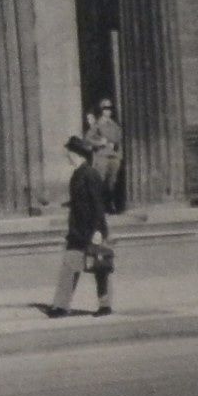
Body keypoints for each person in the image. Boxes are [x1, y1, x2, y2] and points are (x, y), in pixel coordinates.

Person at [43, 136, 113, 318]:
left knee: (99, 267)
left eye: (70, 154)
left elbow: (97, 204)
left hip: (90, 229)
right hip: (78, 230)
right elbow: (81, 201)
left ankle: (103, 305)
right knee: (73, 266)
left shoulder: (90, 174)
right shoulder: (78, 174)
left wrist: (98, 231)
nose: (68, 157)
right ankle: (62, 305)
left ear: (78, 155)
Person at [89, 98, 125, 211]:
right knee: (100, 181)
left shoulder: (115, 125)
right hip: (102, 156)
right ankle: (98, 207)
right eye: (105, 108)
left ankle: (110, 205)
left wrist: (119, 154)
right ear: (101, 110)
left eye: (110, 108)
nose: (108, 111)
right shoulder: (97, 125)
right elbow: (88, 138)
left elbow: (119, 139)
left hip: (114, 156)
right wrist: (100, 142)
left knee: (112, 182)